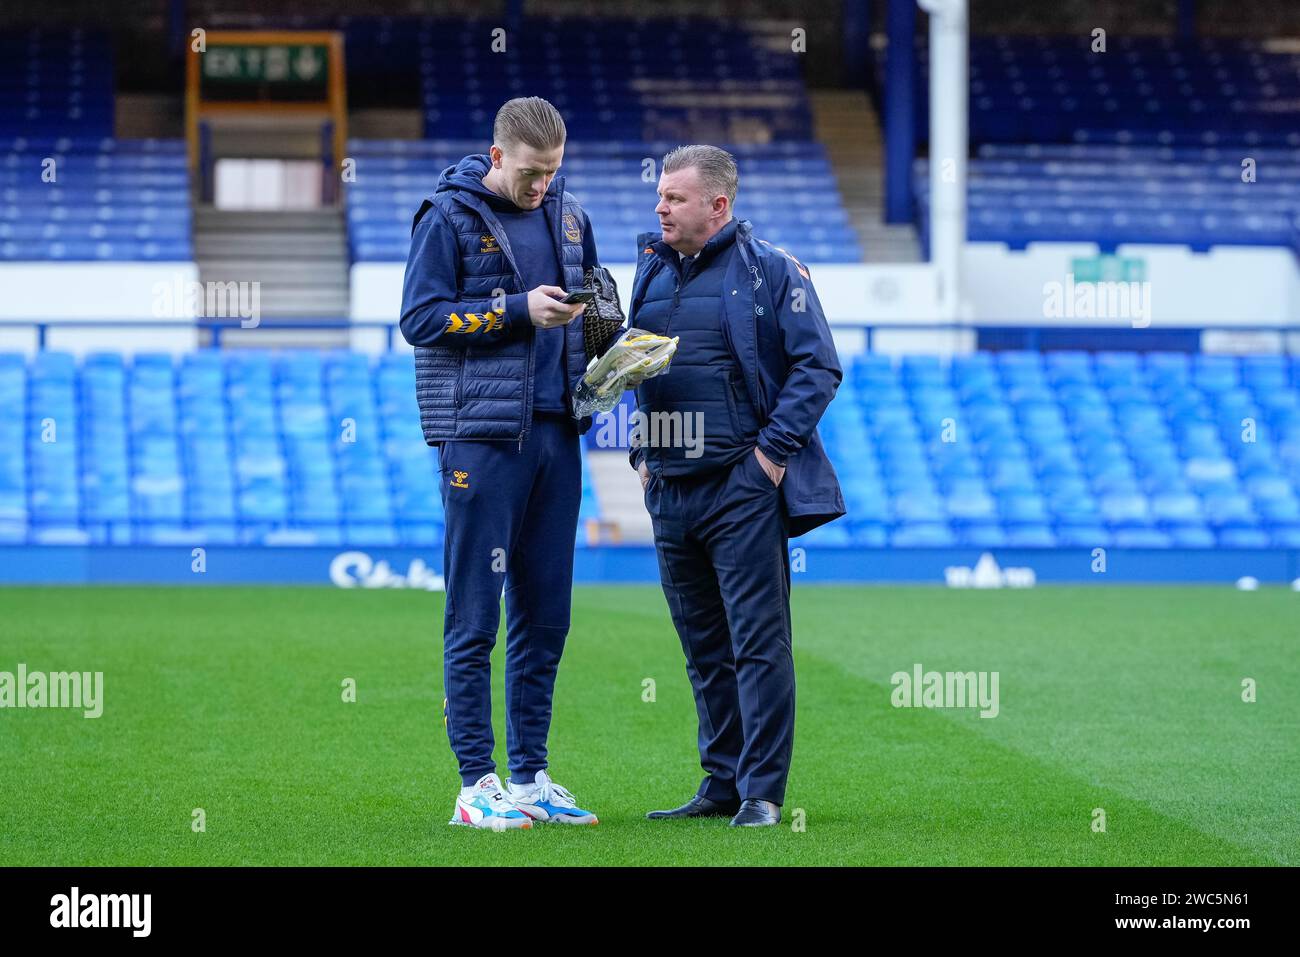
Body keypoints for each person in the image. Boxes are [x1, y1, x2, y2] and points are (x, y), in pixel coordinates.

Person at [399, 96, 612, 830]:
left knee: (546, 613)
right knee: (474, 615)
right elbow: (420, 319)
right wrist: (516, 310)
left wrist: (612, 339)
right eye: (530, 173)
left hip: (559, 431)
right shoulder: (447, 216)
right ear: (497, 156)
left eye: (552, 173)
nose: (541, 187)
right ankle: (473, 784)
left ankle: (528, 776)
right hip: (481, 438)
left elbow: (591, 308)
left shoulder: (572, 213)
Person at [630, 145, 845, 827]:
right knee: (702, 645)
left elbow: (819, 367)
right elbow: (639, 366)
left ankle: (762, 791)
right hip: (669, 487)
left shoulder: (773, 270)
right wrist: (640, 451)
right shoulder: (650, 270)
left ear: (717, 205)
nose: (660, 206)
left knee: (757, 642)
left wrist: (769, 460)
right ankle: (720, 780)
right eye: (660, 195)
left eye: (674, 197)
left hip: (739, 487)